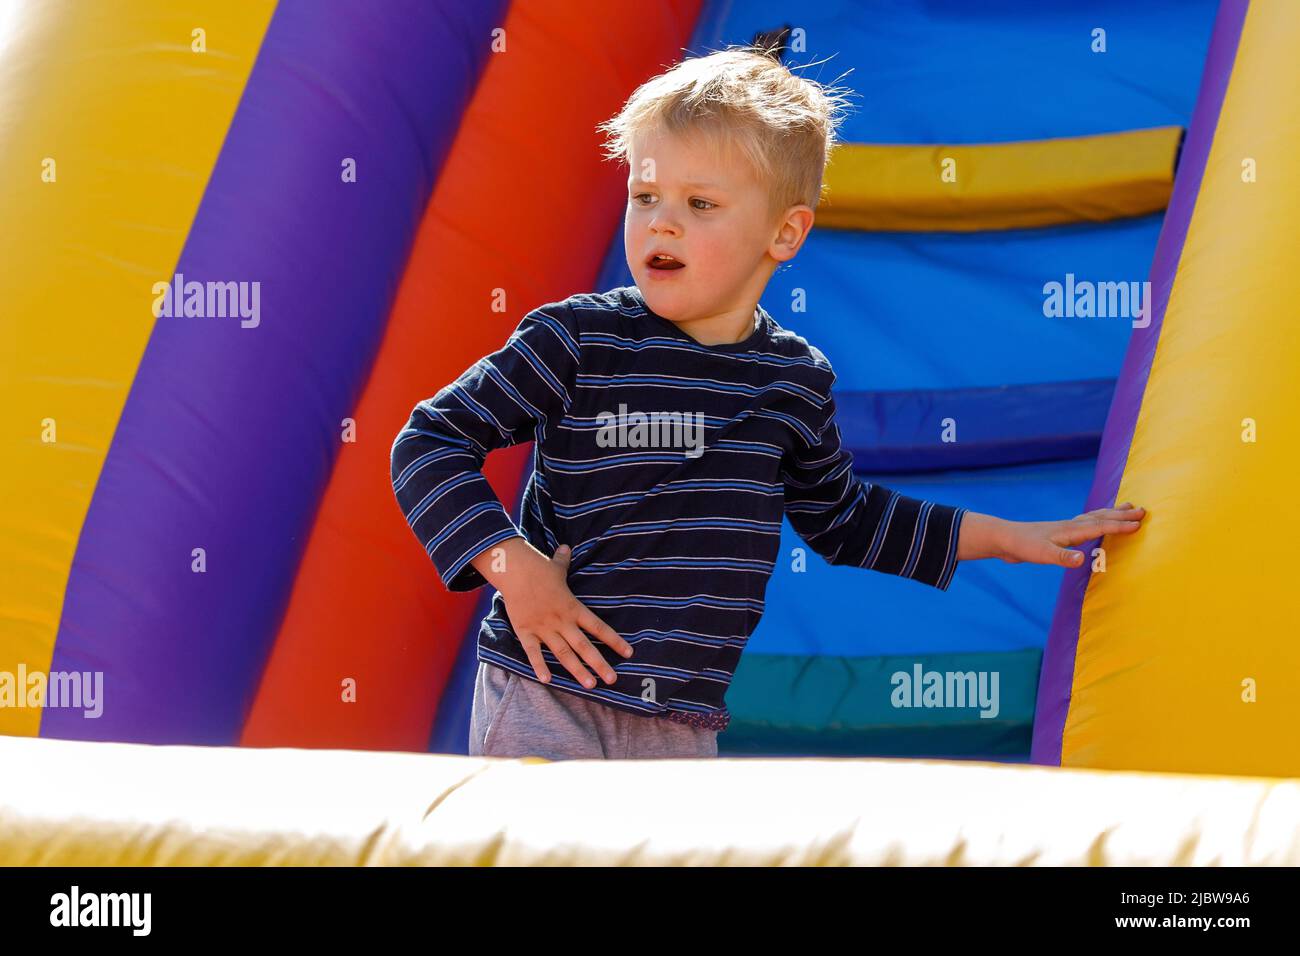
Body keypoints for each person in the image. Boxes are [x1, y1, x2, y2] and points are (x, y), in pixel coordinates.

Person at [390, 45, 1145, 760]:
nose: (662, 221)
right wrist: (511, 564)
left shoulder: (791, 380)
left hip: (681, 720)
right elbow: (429, 442)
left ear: (784, 233)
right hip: (546, 687)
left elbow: (848, 520)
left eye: (700, 203)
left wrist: (1010, 537)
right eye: (644, 195)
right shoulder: (580, 340)